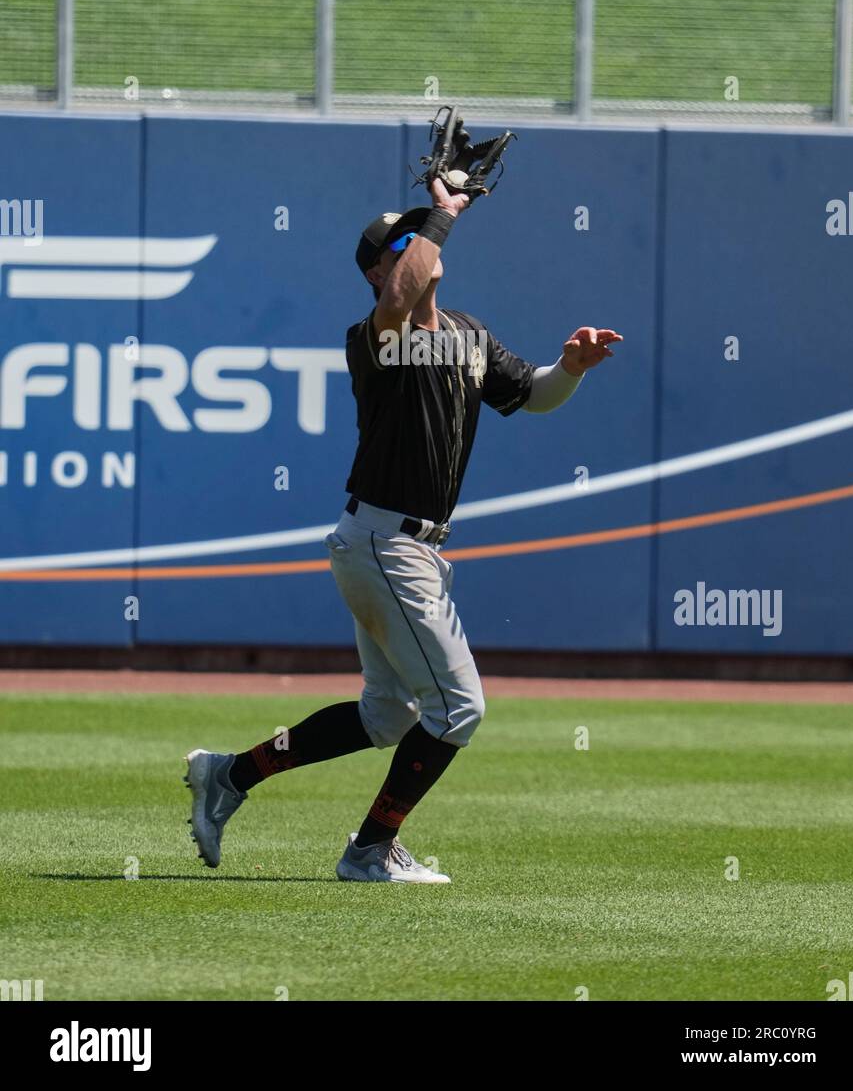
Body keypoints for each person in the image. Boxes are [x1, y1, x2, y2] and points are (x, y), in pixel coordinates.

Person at [185, 176, 622, 883]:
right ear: (379, 271)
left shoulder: (469, 334)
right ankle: (368, 850)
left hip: (398, 547)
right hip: (387, 543)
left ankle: (230, 775)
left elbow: (532, 395)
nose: (422, 243)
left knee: (387, 715)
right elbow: (397, 303)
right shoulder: (378, 341)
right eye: (404, 241)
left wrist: (569, 368)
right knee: (459, 708)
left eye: (421, 233)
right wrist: (444, 215)